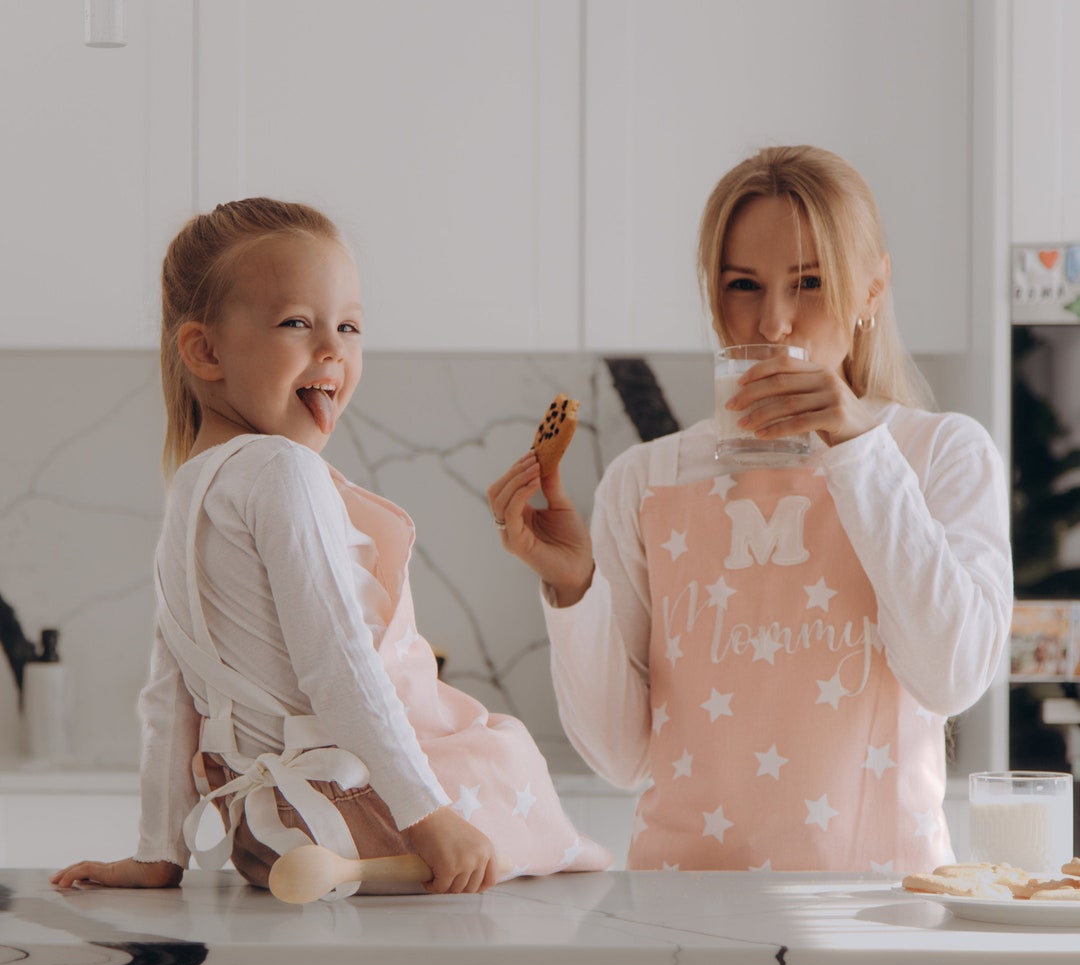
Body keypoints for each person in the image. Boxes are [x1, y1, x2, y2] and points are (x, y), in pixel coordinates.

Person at [52, 197, 608, 897]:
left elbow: (173, 698)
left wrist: (160, 852)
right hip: (352, 812)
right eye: (297, 323)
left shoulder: (189, 496)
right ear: (205, 350)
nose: (334, 350)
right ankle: (448, 850)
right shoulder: (283, 471)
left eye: (349, 326)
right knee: (505, 749)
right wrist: (427, 813)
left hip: (264, 834)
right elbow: (339, 663)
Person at [487, 146, 1012, 875]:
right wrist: (574, 592)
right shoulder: (648, 479)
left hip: (880, 921)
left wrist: (856, 447)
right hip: (683, 921)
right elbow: (621, 756)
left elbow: (952, 676)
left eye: (810, 282)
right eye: (743, 285)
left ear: (873, 289)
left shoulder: (941, 456)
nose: (772, 323)